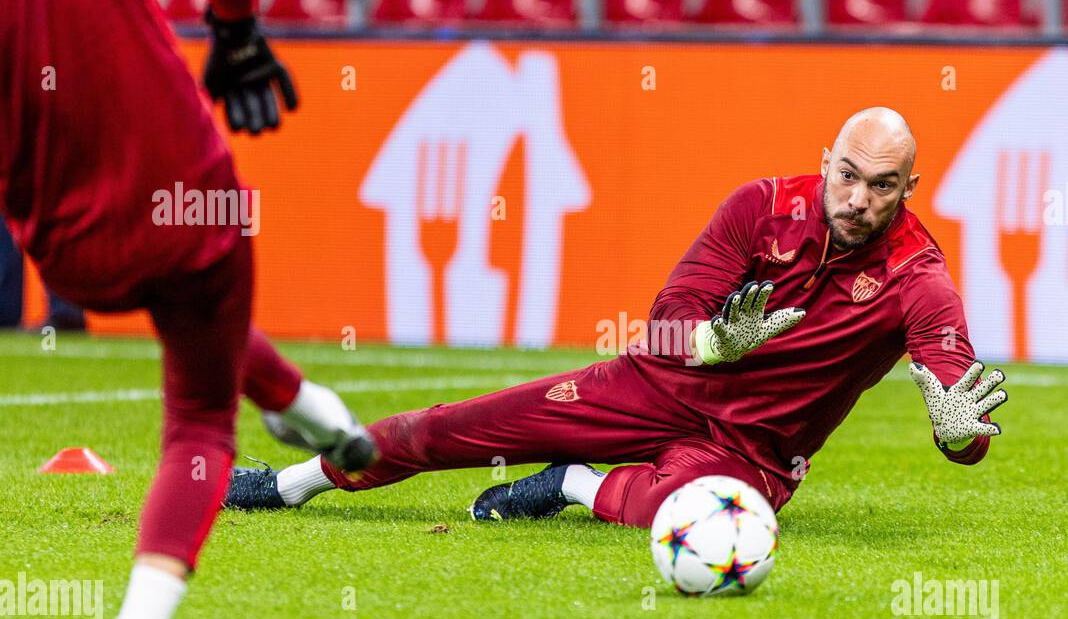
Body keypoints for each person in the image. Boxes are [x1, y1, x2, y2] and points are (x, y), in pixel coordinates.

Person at [225, 108, 1008, 525]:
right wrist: (717, 342)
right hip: (652, 388)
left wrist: (953, 430)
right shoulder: (759, 205)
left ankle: (573, 486)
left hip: (752, 452)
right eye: (847, 174)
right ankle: (288, 486)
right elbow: (665, 325)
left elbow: (960, 416)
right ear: (826, 158)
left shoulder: (919, 278)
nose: (857, 199)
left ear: (909, 186)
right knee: (449, 429)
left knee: (705, 518)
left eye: (881, 185)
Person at [0, 0, 375, 619]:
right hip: (191, 202)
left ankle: (321, 418)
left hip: (69, 247)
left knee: (203, 339)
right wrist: (235, 38)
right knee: (201, 414)